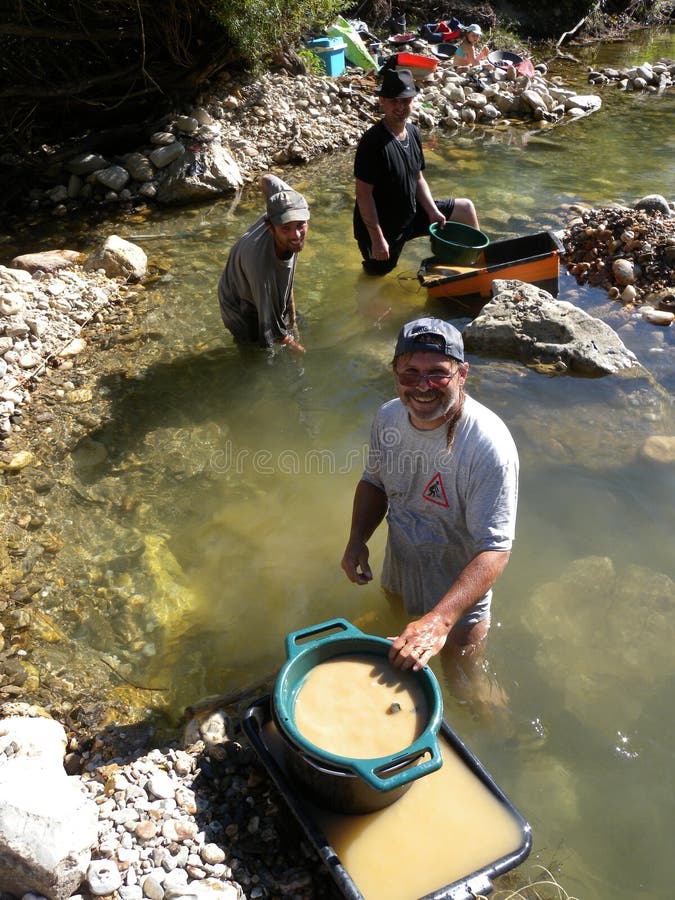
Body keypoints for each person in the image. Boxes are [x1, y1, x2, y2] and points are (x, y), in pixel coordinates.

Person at [341, 316, 518, 674]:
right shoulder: (388, 418)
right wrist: (357, 538)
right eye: (410, 374)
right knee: (391, 670)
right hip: (400, 571)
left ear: (462, 374)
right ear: (395, 374)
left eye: (437, 373)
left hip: (458, 602)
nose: (423, 386)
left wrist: (439, 621)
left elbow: (495, 550)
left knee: (466, 690)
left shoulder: (487, 446)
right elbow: (374, 482)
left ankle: (509, 732)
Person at [353, 68, 481, 276]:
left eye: (405, 101)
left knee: (465, 209)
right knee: (376, 278)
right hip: (384, 228)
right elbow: (363, 194)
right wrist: (377, 239)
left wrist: (431, 210)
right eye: (394, 101)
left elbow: (418, 177)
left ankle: (474, 267)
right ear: (382, 101)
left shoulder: (413, 132)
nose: (400, 107)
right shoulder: (372, 142)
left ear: (413, 101)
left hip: (412, 212)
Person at [218, 173, 309, 352]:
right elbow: (275, 332)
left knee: (292, 322)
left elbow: (267, 179)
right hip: (239, 305)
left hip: (254, 278)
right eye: (285, 228)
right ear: (270, 226)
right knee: (259, 352)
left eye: (300, 225)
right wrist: (298, 348)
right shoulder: (261, 268)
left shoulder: (290, 201)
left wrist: (293, 321)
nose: (296, 235)